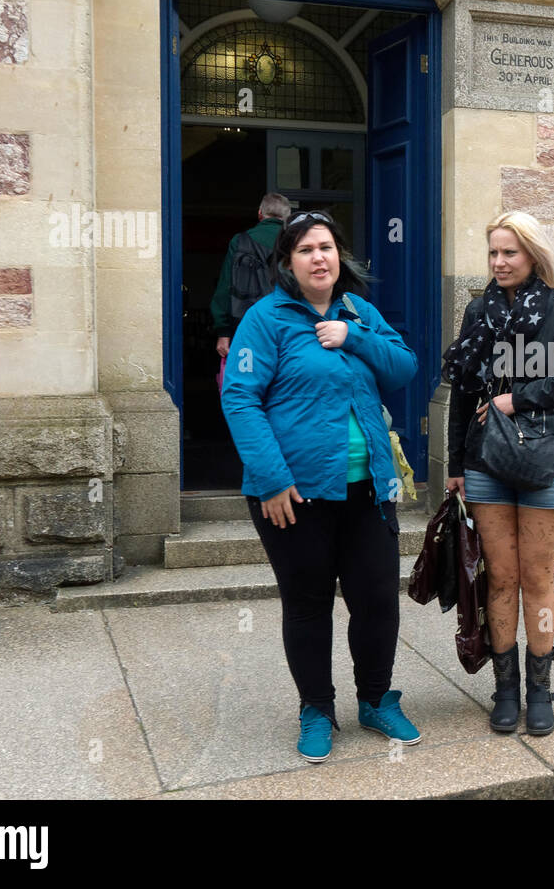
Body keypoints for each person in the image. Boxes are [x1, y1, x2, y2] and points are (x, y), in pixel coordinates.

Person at [221, 210, 420, 763]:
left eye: (327, 247)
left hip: (368, 490)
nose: (319, 258)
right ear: (287, 261)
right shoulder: (266, 319)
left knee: (377, 600)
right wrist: (271, 479)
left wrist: (353, 337)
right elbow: (240, 398)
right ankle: (316, 708)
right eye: (306, 249)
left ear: (340, 256)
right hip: (295, 494)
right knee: (308, 606)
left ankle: (377, 699)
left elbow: (403, 368)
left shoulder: (359, 312)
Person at [442, 211, 554, 736]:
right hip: (485, 463)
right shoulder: (478, 311)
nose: (500, 261)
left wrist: (517, 398)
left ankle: (539, 687)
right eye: (493, 252)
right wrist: (455, 465)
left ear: (533, 255)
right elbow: (462, 390)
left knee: (538, 578)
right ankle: (505, 687)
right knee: (501, 577)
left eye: (510, 252)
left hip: (547, 459)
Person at [210, 192, 290, 390]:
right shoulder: (296, 243)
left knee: (247, 386)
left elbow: (225, 287)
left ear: (260, 213)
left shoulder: (240, 241)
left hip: (245, 326)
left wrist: (223, 331)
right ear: (287, 217)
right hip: (287, 325)